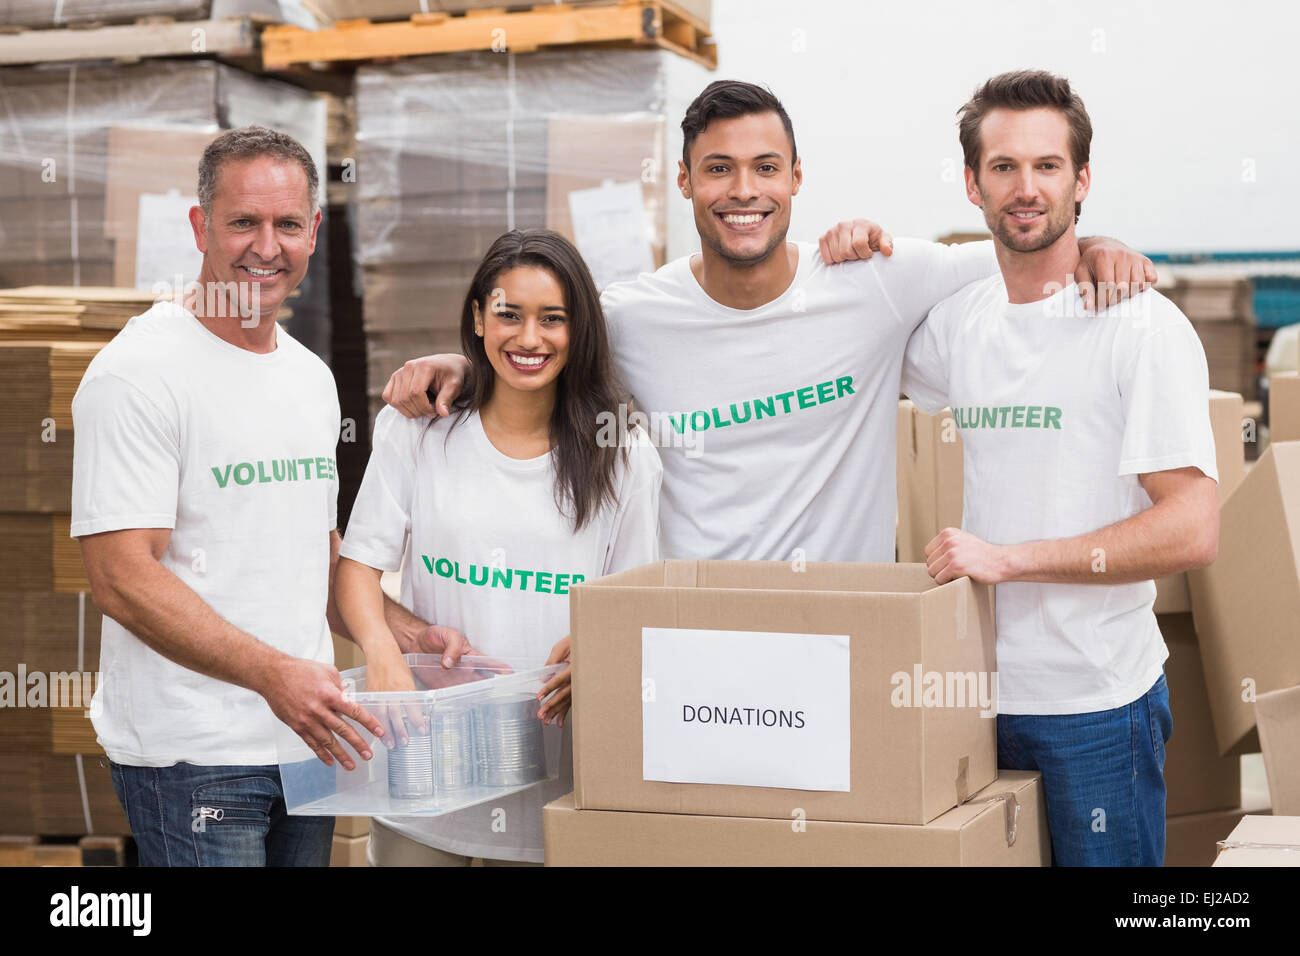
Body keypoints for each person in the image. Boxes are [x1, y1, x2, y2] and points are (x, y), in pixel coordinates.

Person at [383, 80, 1155, 565]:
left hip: (846, 629)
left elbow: (1022, 241)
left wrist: (1098, 241)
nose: (741, 190)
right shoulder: (630, 315)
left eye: (764, 168)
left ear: (795, 178)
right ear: (684, 180)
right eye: (718, 168)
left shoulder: (877, 280)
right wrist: (460, 367)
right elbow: (535, 343)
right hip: (696, 634)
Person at [70, 127, 465, 867]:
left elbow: (310, 556)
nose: (266, 246)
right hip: (194, 756)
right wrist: (273, 676)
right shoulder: (140, 373)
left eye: (287, 224)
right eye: (243, 222)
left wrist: (407, 632)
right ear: (200, 226)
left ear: (314, 231)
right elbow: (121, 579)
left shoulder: (308, 379)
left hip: (307, 741)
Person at [901, 71, 1220, 866]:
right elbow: (853, 337)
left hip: (1096, 702)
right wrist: (848, 244)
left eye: (1048, 166)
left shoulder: (1139, 327)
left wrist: (1009, 561)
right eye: (1004, 167)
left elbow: (1193, 527)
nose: (1026, 187)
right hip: (977, 697)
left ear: (1082, 181)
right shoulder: (958, 326)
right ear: (973, 184)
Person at [335, 228, 662, 866]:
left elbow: (635, 608)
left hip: (557, 784)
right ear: (480, 317)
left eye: (553, 319)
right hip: (427, 773)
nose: (529, 339)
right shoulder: (418, 431)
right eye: (509, 314)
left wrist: (596, 652)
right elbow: (356, 570)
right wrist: (382, 655)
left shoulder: (624, 455)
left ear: (580, 330)